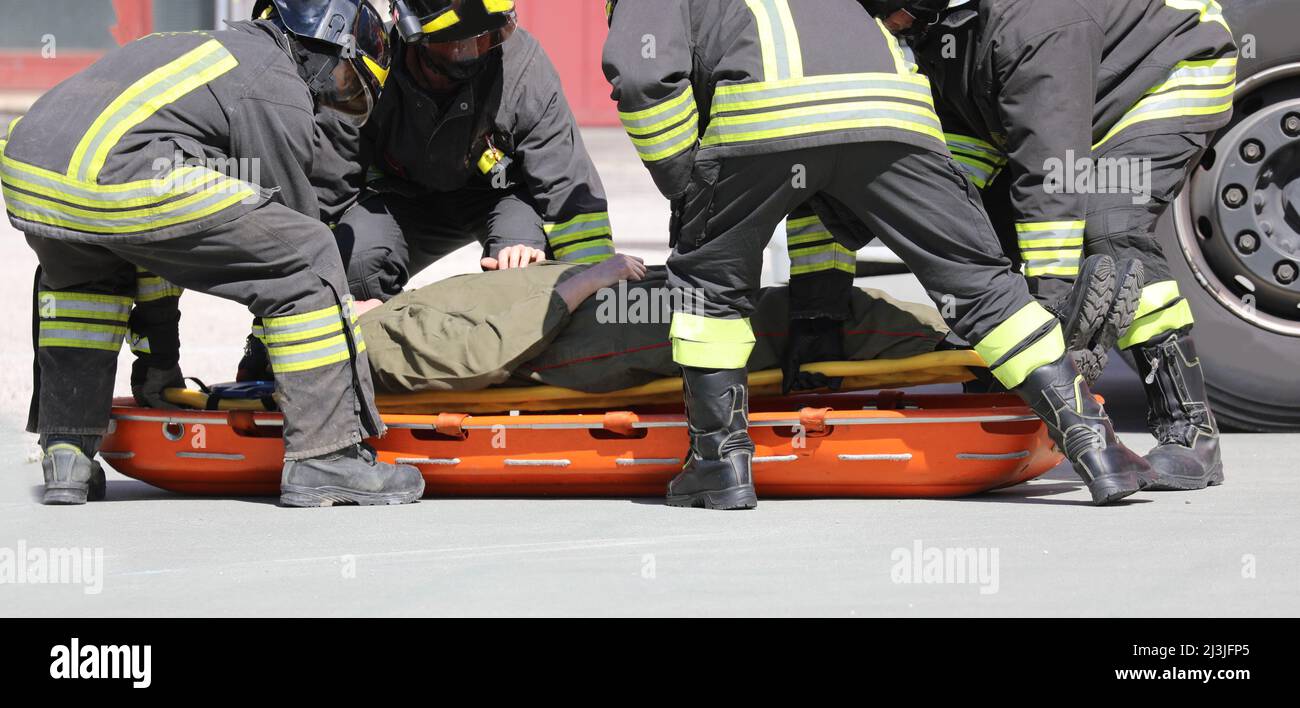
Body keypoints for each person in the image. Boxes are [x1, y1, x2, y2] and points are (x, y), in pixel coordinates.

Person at [602, 0, 1154, 510]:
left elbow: (642, 78)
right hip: (895, 110)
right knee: (982, 286)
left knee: (711, 292)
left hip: (762, 113)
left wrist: (686, 184)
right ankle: (1097, 447)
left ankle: (719, 467)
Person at [2, 0, 424, 508]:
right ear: (328, 45)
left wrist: (159, 372)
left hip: (34, 173)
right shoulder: (277, 84)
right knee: (310, 258)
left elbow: (159, 248)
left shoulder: (201, 50)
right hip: (118, 171)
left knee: (86, 285)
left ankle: (67, 454)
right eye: (346, 81)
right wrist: (327, 315)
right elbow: (292, 237)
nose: (338, 97)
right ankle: (327, 457)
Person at [863, 0, 1233, 490]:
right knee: (989, 225)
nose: (883, 23)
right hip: (1080, 86)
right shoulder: (934, 30)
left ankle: (1191, 431)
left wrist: (1052, 303)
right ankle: (1002, 407)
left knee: (1108, 224)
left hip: (1169, 66)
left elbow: (1052, 169)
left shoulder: (1033, 24)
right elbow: (967, 153)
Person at [335, 0, 616, 303]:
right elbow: (331, 180)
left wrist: (595, 288)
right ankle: (394, 328)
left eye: (486, 37)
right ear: (414, 36)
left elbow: (569, 191)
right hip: (404, 198)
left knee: (522, 270)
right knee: (354, 264)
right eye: (457, 42)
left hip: (498, 195)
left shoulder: (524, 67)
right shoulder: (373, 63)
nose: (473, 49)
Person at [355, 256, 952, 394]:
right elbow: (479, 356)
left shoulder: (386, 313)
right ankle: (958, 344)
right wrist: (582, 284)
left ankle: (958, 332)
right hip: (602, 328)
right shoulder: (374, 341)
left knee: (786, 304)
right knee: (784, 321)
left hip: (605, 305)